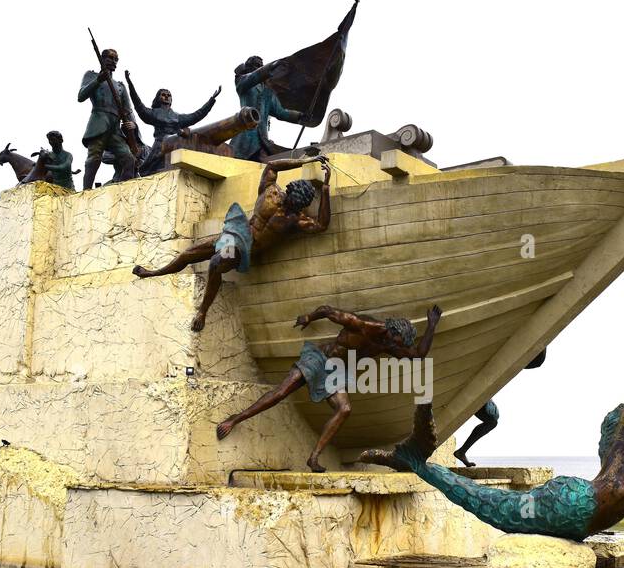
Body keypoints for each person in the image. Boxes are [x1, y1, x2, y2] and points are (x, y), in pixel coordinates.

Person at [362, 342, 624, 541]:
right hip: (574, 505)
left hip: (579, 512)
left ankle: (416, 463)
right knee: (495, 505)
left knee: (495, 505)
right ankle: (417, 464)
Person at [217, 304, 442, 473]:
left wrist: (431, 324)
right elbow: (327, 310)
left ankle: (313, 457)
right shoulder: (362, 325)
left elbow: (417, 355)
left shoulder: (389, 343)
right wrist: (308, 317)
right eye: (398, 342)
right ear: (392, 332)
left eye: (400, 345)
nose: (397, 348)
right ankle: (234, 419)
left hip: (336, 372)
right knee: (281, 393)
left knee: (344, 409)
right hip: (319, 358)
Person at [132, 154, 332, 331]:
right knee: (189, 254)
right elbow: (272, 166)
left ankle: (202, 311)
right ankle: (154, 272)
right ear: (289, 192)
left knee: (216, 264)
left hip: (247, 250)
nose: (289, 207)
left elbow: (322, 224)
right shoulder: (270, 192)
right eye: (290, 202)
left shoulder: (295, 219)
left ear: (300, 206)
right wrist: (304, 161)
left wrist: (325, 188)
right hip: (236, 234)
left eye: (294, 206)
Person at [453, 348, 548, 467]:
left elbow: (537, 362)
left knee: (491, 421)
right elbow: (537, 362)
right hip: (462, 377)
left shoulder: (509, 358)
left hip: (470, 383)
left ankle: (462, 451)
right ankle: (461, 451)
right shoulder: (507, 356)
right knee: (491, 420)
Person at [125, 72, 220, 175]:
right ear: (158, 98)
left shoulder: (177, 117)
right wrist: (130, 84)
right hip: (159, 146)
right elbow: (139, 107)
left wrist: (211, 100)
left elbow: (197, 115)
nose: (166, 97)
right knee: (146, 171)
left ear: (171, 100)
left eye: (169, 95)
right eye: (163, 95)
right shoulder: (154, 113)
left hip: (175, 145)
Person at [77, 48, 139, 189]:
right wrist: (98, 80)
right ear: (102, 58)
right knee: (94, 158)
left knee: (129, 159)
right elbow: (81, 96)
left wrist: (133, 124)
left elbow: (128, 111)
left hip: (115, 128)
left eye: (116, 59)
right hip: (98, 123)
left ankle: (122, 189)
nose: (113, 61)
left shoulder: (120, 86)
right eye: (110, 58)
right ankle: (85, 191)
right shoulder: (91, 75)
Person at [229, 56, 305, 161]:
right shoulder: (242, 82)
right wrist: (269, 68)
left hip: (262, 141)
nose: (260, 67)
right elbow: (252, 77)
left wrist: (299, 116)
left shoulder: (267, 91)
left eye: (261, 66)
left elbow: (280, 112)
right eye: (257, 65)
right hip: (245, 139)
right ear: (249, 67)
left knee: (265, 165)